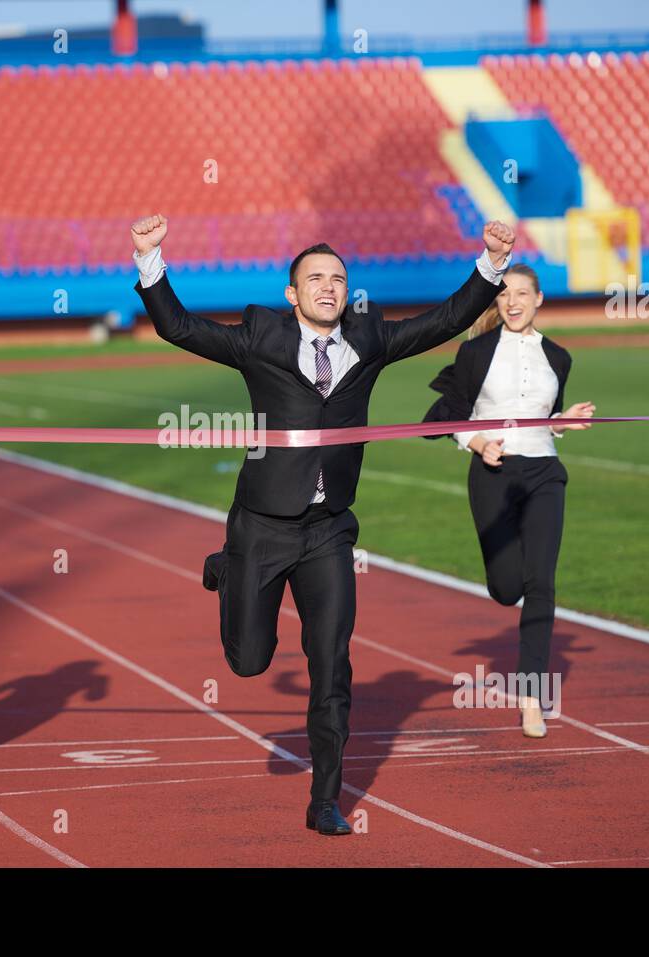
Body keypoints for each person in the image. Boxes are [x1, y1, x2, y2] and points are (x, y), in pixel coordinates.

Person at [131, 213, 514, 835]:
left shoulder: (370, 338)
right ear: (293, 294)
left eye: (338, 278)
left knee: (332, 665)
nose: (329, 287)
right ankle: (227, 571)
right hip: (261, 526)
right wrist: (151, 259)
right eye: (316, 279)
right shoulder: (260, 335)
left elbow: (443, 321)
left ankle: (325, 800)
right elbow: (178, 327)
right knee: (249, 661)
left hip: (329, 530)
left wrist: (490, 266)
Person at [421, 263, 595, 737]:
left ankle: (532, 699)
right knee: (506, 588)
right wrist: (476, 443)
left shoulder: (559, 357)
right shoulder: (474, 353)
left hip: (544, 474)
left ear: (539, 299)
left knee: (542, 583)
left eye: (522, 293)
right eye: (504, 295)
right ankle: (503, 585)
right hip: (492, 475)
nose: (513, 302)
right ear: (496, 303)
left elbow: (541, 417)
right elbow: (445, 418)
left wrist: (562, 421)